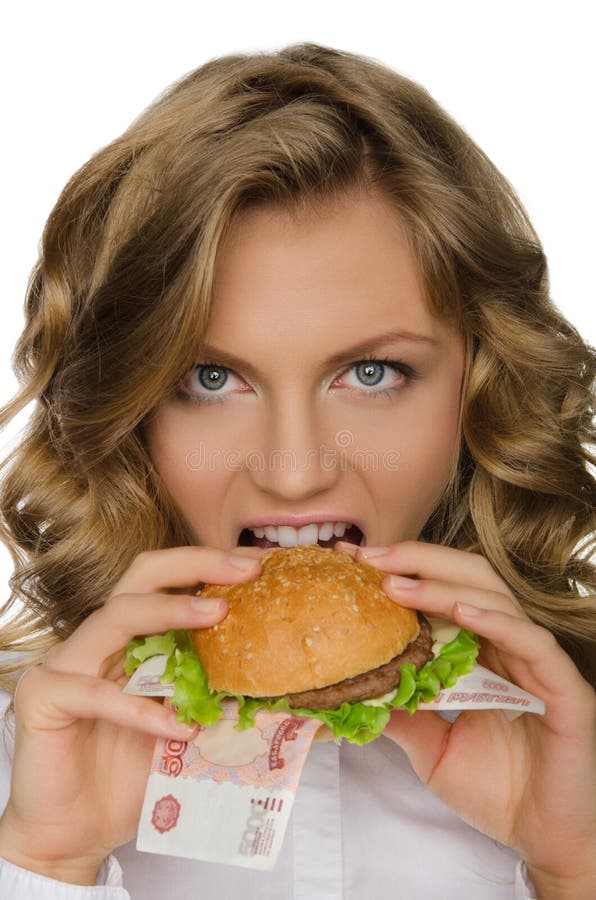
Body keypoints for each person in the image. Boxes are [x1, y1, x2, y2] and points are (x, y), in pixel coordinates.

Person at [0, 41, 594, 899]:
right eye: (211, 380)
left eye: (372, 373)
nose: (291, 474)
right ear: (130, 410)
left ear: (481, 385)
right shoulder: (30, 753)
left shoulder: (582, 744)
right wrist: (47, 863)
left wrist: (577, 866)